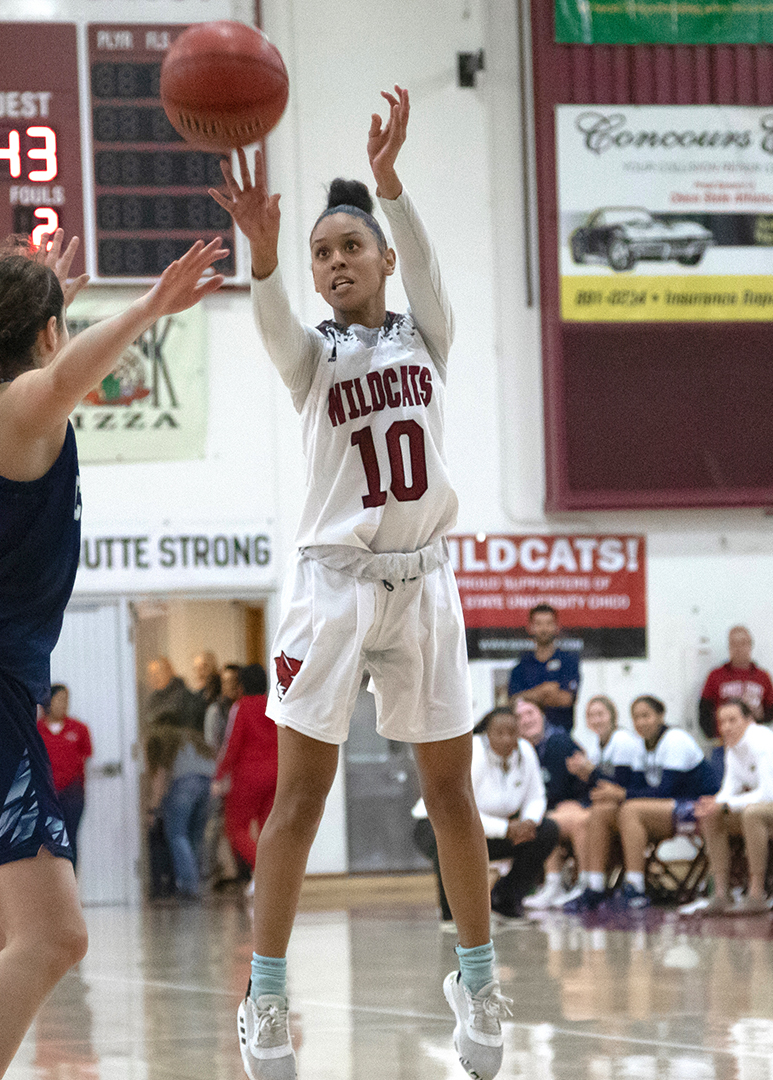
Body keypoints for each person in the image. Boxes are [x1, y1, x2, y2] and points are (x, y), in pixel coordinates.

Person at [0, 232, 225, 1080]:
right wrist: (147, 308)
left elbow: (45, 365)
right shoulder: (21, 406)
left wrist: (45, 297)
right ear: (51, 335)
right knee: (54, 936)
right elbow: (58, 378)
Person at [211, 86, 510, 1080]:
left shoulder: (429, 336)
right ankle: (266, 996)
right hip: (330, 588)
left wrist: (389, 186)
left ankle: (475, 973)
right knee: (300, 796)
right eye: (321, 253)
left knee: (451, 791)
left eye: (352, 247)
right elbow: (271, 326)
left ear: (380, 258)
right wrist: (263, 258)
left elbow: (426, 264)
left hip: (424, 583)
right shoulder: (312, 358)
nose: (335, 262)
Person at [564, 695, 720, 912]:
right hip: (665, 806)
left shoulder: (675, 739)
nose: (640, 722)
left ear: (660, 716)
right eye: (636, 718)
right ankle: (595, 886)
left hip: (697, 805)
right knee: (601, 811)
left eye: (646, 716)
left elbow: (665, 790)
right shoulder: (641, 745)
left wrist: (621, 794)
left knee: (630, 809)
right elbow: (636, 788)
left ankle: (635, 887)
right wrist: (616, 794)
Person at [684, 698, 773, 916]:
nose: (726, 727)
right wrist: (714, 805)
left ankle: (756, 894)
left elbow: (767, 795)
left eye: (732, 720)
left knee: (752, 813)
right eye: (722, 722)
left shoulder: (762, 743)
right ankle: (721, 894)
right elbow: (728, 791)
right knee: (712, 816)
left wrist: (724, 804)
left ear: (749, 720)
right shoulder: (733, 748)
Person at [412, 707, 559, 921]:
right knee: (448, 841)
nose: (507, 739)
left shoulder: (526, 752)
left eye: (512, 733)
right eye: (499, 733)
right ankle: (451, 914)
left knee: (546, 831)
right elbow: (460, 811)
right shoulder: (472, 753)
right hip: (438, 823)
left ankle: (504, 900)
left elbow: (536, 796)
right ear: (486, 734)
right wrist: (506, 829)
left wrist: (529, 821)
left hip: (490, 830)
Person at [513, 699, 594, 910]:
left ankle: (580, 884)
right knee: (541, 820)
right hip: (543, 810)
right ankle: (547, 885)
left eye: (530, 712)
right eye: (519, 717)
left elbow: (580, 784)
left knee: (552, 822)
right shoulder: (517, 751)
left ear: (542, 714)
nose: (526, 719)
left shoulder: (560, 742)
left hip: (575, 806)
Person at [215, 664, 276, 876]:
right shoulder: (273, 706)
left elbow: (231, 744)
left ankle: (264, 870)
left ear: (242, 685)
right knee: (267, 830)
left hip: (248, 776)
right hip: (275, 775)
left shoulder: (241, 707)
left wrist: (219, 775)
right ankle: (270, 877)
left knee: (236, 828)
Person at [145, 726, 218, 900]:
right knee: (195, 837)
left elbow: (160, 778)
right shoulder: (192, 737)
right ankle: (197, 885)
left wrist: (152, 809)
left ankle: (188, 886)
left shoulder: (163, 741)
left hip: (183, 784)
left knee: (177, 835)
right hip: (207, 783)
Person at [37, 684, 93, 867]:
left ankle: (71, 887)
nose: (63, 704)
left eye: (66, 700)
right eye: (59, 700)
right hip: (45, 795)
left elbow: (85, 758)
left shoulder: (79, 729)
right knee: (46, 844)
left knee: (70, 839)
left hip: (72, 794)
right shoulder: (37, 730)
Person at [508, 603, 581, 732]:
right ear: (530, 627)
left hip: (561, 735)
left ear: (556, 627)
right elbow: (514, 702)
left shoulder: (568, 662)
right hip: (527, 735)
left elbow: (566, 699)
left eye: (548, 623)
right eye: (539, 623)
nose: (544, 628)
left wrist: (530, 697)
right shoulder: (521, 666)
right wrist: (545, 690)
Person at [697, 625, 773, 739]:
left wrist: (761, 715)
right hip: (724, 742)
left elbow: (772, 712)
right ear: (729, 647)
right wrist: (715, 735)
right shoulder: (715, 676)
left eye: (743, 643)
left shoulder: (763, 677)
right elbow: (704, 711)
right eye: (734, 644)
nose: (739, 648)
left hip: (754, 740)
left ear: (750, 645)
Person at [146, 656, 206, 735]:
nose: (154, 678)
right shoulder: (153, 699)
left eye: (157, 673)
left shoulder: (184, 696)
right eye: (151, 674)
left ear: (169, 671)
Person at [573, 694, 618, 768]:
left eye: (600, 714)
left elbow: (621, 777)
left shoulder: (621, 739)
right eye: (591, 715)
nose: (596, 720)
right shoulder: (596, 743)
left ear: (612, 715)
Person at [205, 663, 242, 751]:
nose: (232, 686)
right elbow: (211, 745)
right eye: (227, 682)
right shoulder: (215, 710)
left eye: (235, 681)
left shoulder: (246, 708)